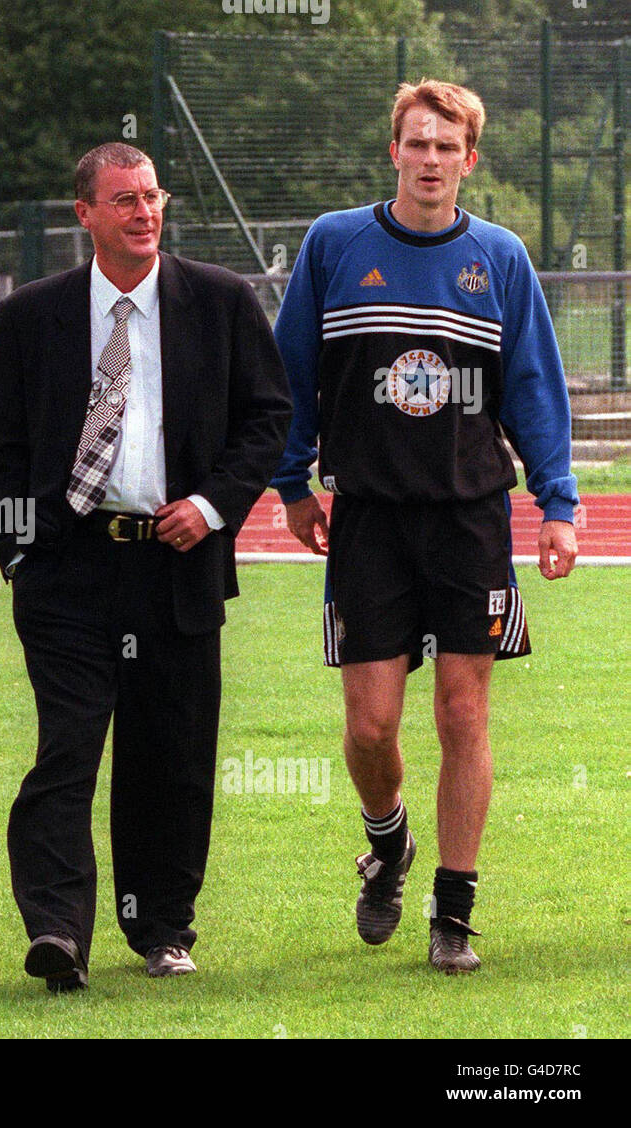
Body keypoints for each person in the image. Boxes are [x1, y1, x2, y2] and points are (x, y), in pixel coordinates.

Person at [271, 80, 579, 973]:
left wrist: (557, 504)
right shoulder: (335, 245)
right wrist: (291, 482)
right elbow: (295, 376)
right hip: (367, 517)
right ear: (395, 152)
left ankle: (454, 908)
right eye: (418, 143)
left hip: (470, 518)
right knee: (370, 728)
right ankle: (388, 839)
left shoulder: (501, 257)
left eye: (449, 146)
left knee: (462, 711)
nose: (432, 158)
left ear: (469, 159)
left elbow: (532, 389)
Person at [0, 143, 291, 990]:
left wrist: (214, 504)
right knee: (68, 750)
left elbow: (268, 419)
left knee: (172, 755)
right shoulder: (31, 315)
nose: (144, 212)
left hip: (178, 563)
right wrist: (20, 547)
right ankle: (57, 932)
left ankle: (163, 928)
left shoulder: (221, 301)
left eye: (152, 197)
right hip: (68, 572)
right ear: (84, 213)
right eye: (123, 200)